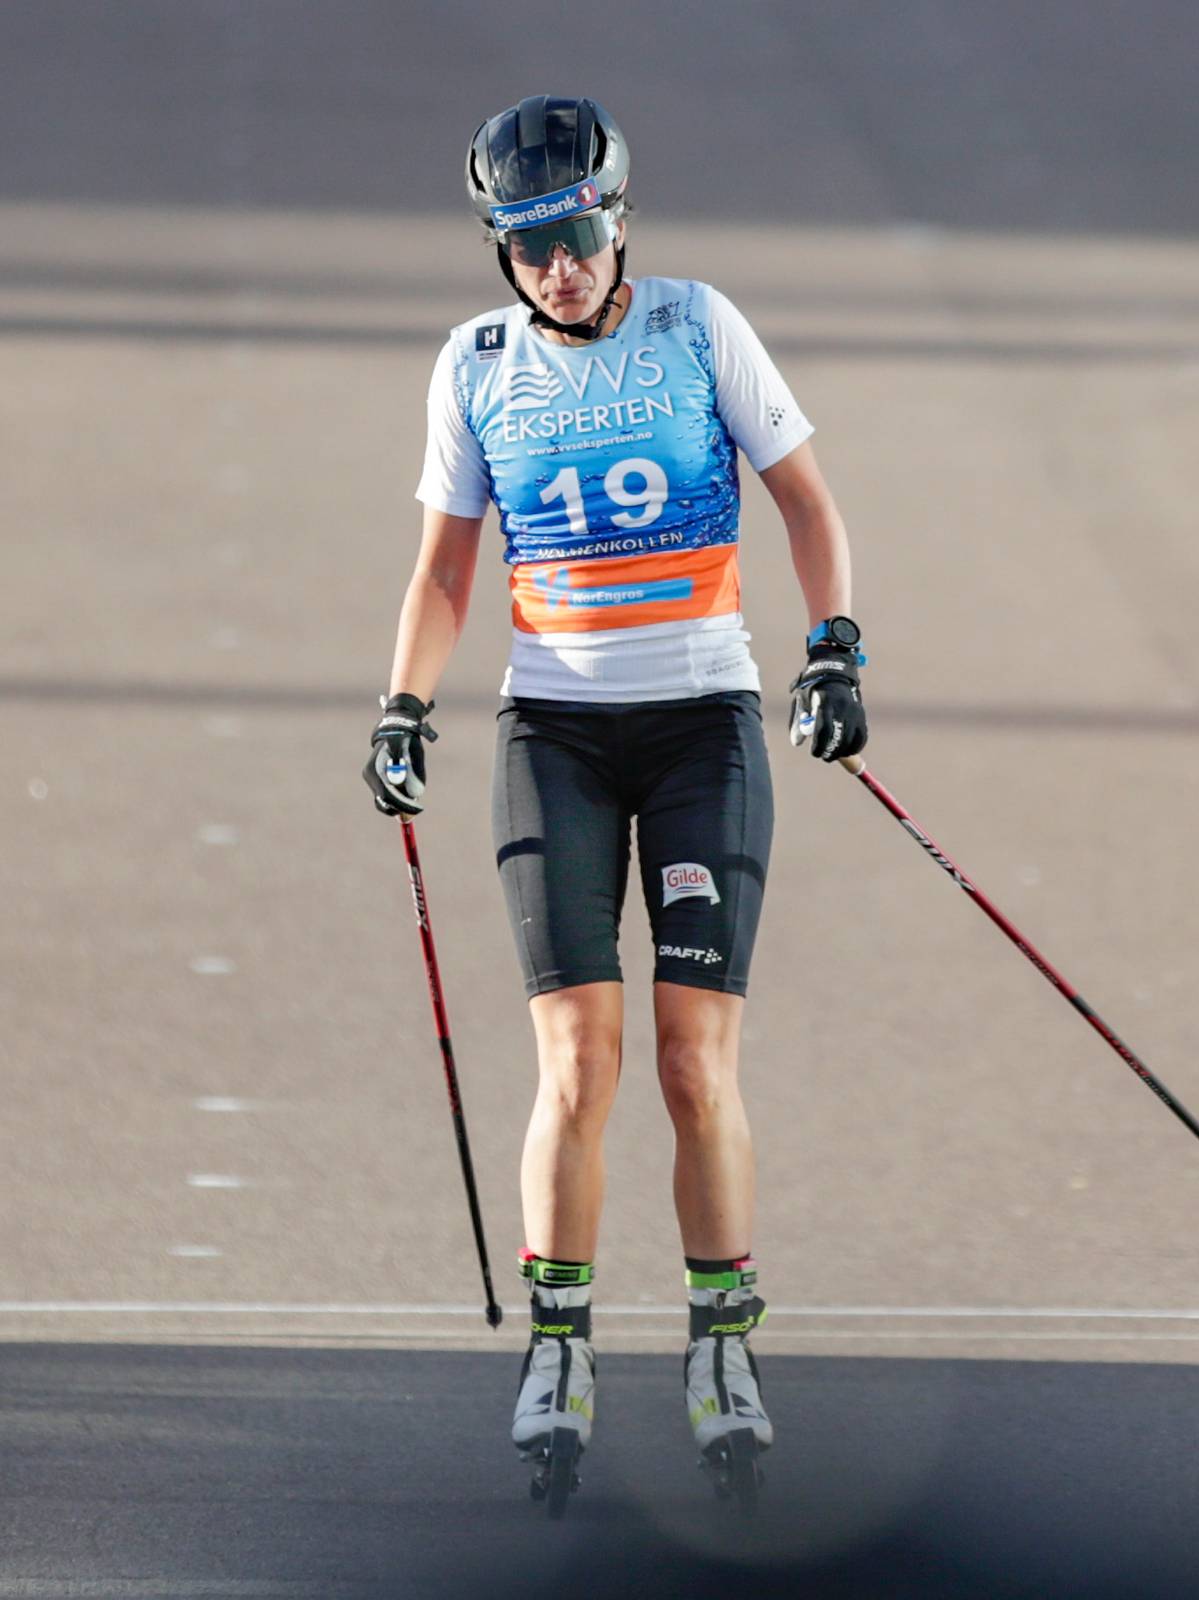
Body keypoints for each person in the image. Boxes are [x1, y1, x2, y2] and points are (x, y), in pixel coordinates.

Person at [362, 94, 868, 1496]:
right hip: (557, 738)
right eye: (527, 245)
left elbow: (809, 503)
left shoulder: (700, 327)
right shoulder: (473, 367)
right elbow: (447, 565)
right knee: (576, 1063)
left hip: (701, 726)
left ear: (621, 217)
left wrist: (834, 651)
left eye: (578, 234)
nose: (559, 266)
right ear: (500, 250)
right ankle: (561, 1347)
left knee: (694, 1064)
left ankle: (723, 1342)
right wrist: (402, 706)